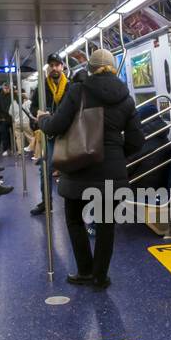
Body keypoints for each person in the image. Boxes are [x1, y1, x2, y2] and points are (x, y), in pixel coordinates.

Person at [38, 48, 143, 288]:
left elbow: (55, 125)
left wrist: (42, 119)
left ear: (90, 68)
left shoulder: (78, 90)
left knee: (75, 219)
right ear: (114, 68)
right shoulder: (126, 97)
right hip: (112, 174)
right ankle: (100, 276)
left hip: (79, 169)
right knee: (106, 225)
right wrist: (115, 155)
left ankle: (85, 270)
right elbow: (137, 141)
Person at [30, 53, 70, 215]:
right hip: (51, 134)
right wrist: (39, 113)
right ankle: (46, 202)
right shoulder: (42, 86)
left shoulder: (70, 86)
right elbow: (33, 106)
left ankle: (73, 204)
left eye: (57, 65)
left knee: (70, 169)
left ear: (62, 67)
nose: (54, 68)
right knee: (45, 169)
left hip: (67, 133)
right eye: (51, 65)